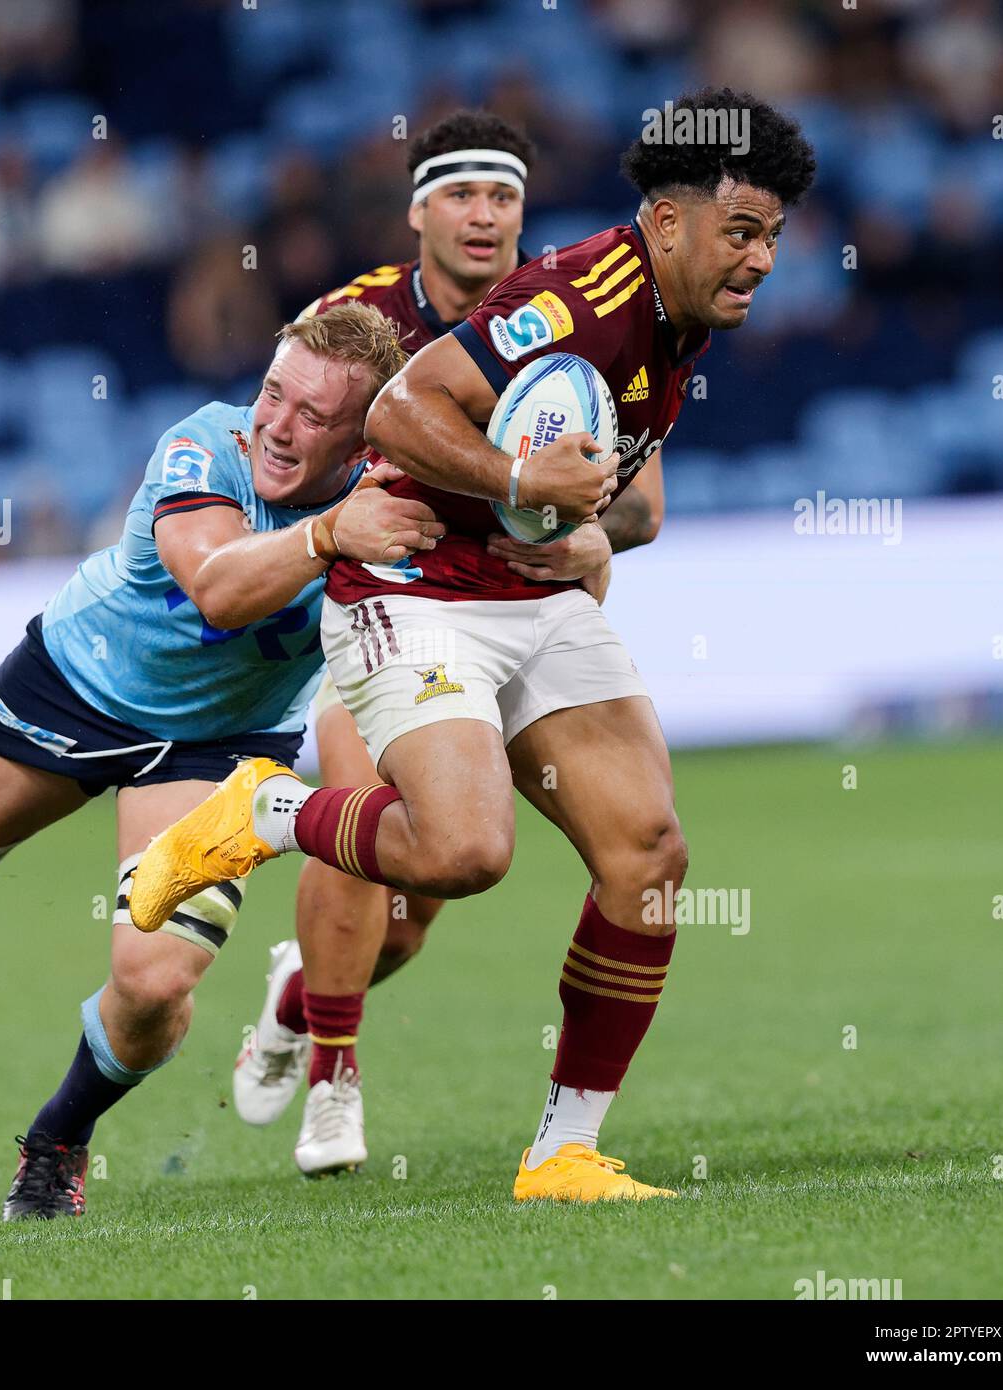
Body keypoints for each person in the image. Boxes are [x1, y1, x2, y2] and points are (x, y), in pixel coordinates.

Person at [130, 88, 817, 1203]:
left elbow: (621, 499)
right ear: (670, 222)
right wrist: (512, 481)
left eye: (774, 237)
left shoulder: (683, 318)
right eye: (742, 233)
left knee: (647, 853)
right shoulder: (579, 297)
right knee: (463, 851)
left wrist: (578, 521)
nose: (762, 260)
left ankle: (560, 1154)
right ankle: (256, 814)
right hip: (415, 587)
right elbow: (401, 408)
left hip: (531, 596)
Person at [0, 303, 439, 1218]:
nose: (277, 425)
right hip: (75, 685)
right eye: (272, 394)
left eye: (312, 416)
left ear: (359, 441)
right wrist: (332, 535)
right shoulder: (203, 446)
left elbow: (510, 548)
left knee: (152, 987)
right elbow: (219, 590)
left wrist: (567, 533)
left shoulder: (395, 493)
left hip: (220, 748)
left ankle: (59, 1136)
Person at [233, 108, 669, 1179]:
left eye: (503, 196)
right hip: (373, 597)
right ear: (418, 208)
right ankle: (335, 1082)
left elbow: (638, 506)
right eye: (461, 194)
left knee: (417, 907)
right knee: (385, 825)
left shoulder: (570, 309)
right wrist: (331, 529)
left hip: (508, 610)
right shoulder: (353, 318)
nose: (484, 216)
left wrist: (581, 533)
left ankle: (298, 994)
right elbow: (277, 458)